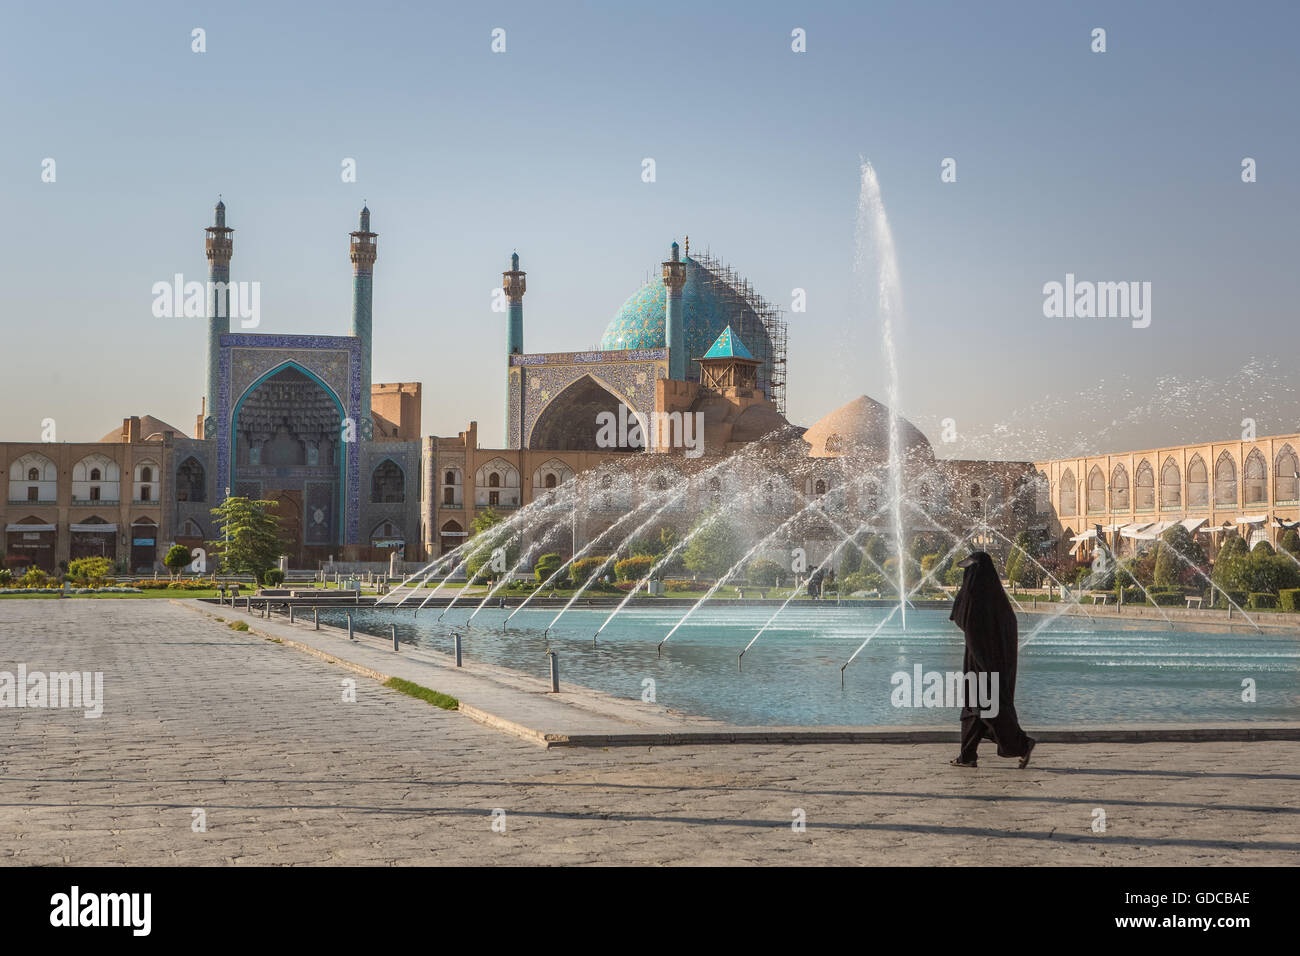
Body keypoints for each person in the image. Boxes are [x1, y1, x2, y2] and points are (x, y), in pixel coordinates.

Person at [948, 551, 1035, 769]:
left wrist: (984, 667)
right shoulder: (998, 601)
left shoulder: (976, 601)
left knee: (986, 709)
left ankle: (1022, 744)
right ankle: (967, 756)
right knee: (976, 709)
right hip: (989, 664)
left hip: (982, 665)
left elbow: (961, 617)